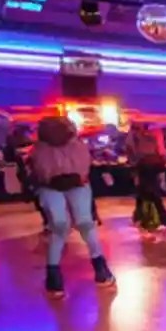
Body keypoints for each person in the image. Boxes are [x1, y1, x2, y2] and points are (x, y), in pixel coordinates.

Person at [30, 116, 115, 296]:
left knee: (59, 227)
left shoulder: (40, 148)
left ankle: (54, 280)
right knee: (85, 224)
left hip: (51, 187)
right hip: (77, 185)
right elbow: (85, 167)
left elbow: (39, 171)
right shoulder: (76, 145)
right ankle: (101, 271)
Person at [127, 122, 166, 235]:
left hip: (146, 167)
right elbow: (160, 153)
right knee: (147, 192)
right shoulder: (150, 137)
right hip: (150, 166)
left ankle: (160, 218)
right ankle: (142, 217)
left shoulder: (138, 138)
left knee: (149, 192)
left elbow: (133, 153)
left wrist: (135, 163)